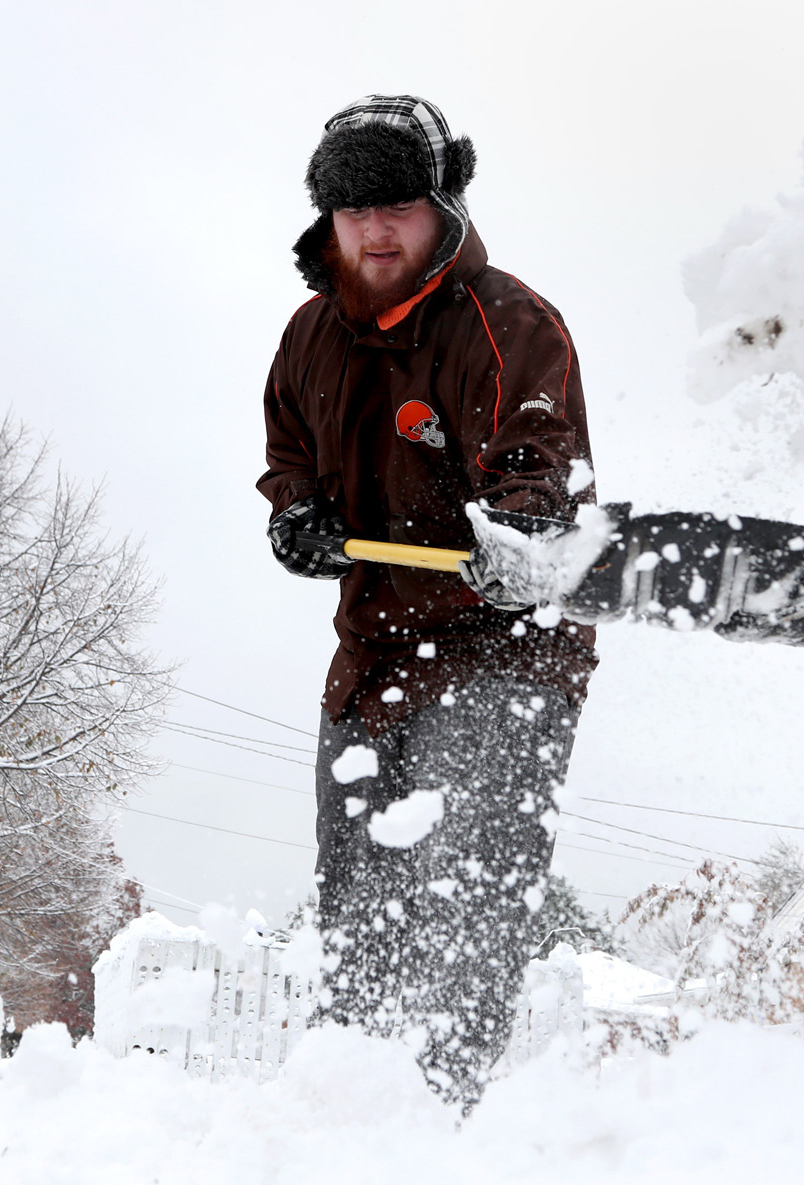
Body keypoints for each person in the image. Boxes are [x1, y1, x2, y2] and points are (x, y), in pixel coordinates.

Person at [256, 95, 598, 1106]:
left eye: (396, 204)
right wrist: (298, 517)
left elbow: (542, 456)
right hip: (370, 663)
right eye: (351, 210)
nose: (373, 229)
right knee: (357, 903)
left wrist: (524, 525)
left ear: (441, 202)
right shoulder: (308, 337)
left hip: (506, 651)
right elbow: (288, 459)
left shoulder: (509, 323)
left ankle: (443, 1128)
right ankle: (345, 1121)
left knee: (464, 901)